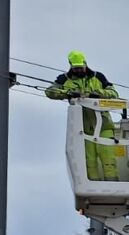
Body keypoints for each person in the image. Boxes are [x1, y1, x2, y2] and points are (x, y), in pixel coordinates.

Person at [46, 51, 120, 181]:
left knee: (108, 157)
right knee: (89, 160)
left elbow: (114, 93)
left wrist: (98, 94)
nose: (79, 70)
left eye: (81, 67)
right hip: (82, 127)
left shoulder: (98, 77)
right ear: (71, 66)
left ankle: (113, 185)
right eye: (76, 68)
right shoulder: (64, 79)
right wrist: (67, 93)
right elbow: (50, 91)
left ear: (85, 63)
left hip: (103, 124)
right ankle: (94, 187)